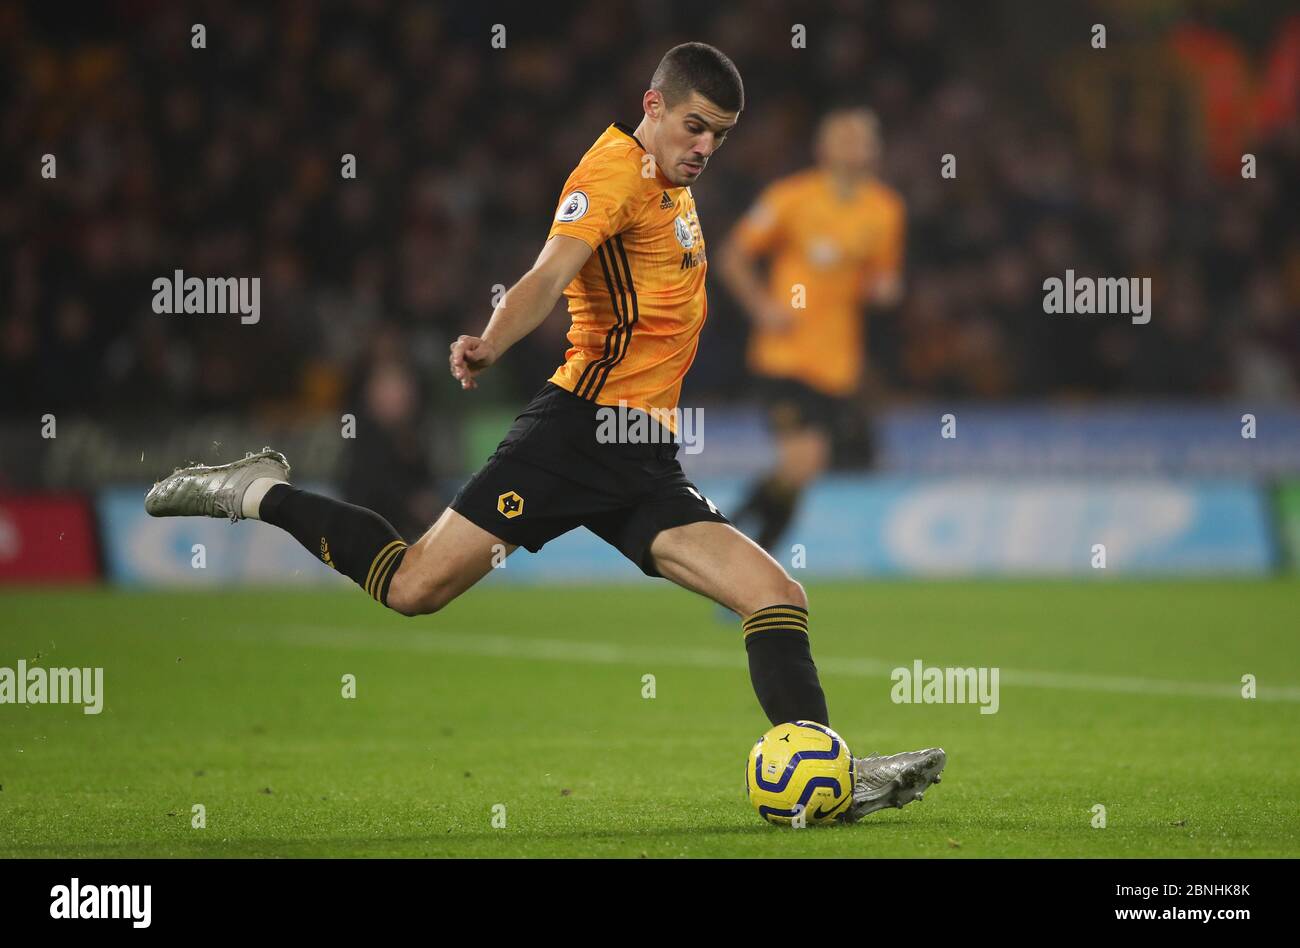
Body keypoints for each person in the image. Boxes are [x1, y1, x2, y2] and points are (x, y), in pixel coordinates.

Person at [144, 44, 943, 821]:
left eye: (720, 135)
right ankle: (257, 491)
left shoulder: (673, 182)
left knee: (775, 594)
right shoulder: (611, 175)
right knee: (413, 587)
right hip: (573, 438)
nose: (706, 147)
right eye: (695, 126)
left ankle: (819, 766)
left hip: (643, 457)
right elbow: (549, 273)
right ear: (653, 106)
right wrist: (493, 340)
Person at [720, 107, 905, 552]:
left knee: (804, 471)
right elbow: (733, 256)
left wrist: (885, 290)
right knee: (804, 460)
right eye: (843, 136)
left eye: (861, 138)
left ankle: (738, 544)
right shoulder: (790, 198)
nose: (853, 146)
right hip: (784, 355)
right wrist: (763, 307)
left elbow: (883, 278)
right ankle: (737, 544)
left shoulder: (885, 209)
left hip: (836, 362)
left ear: (874, 149)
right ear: (822, 147)